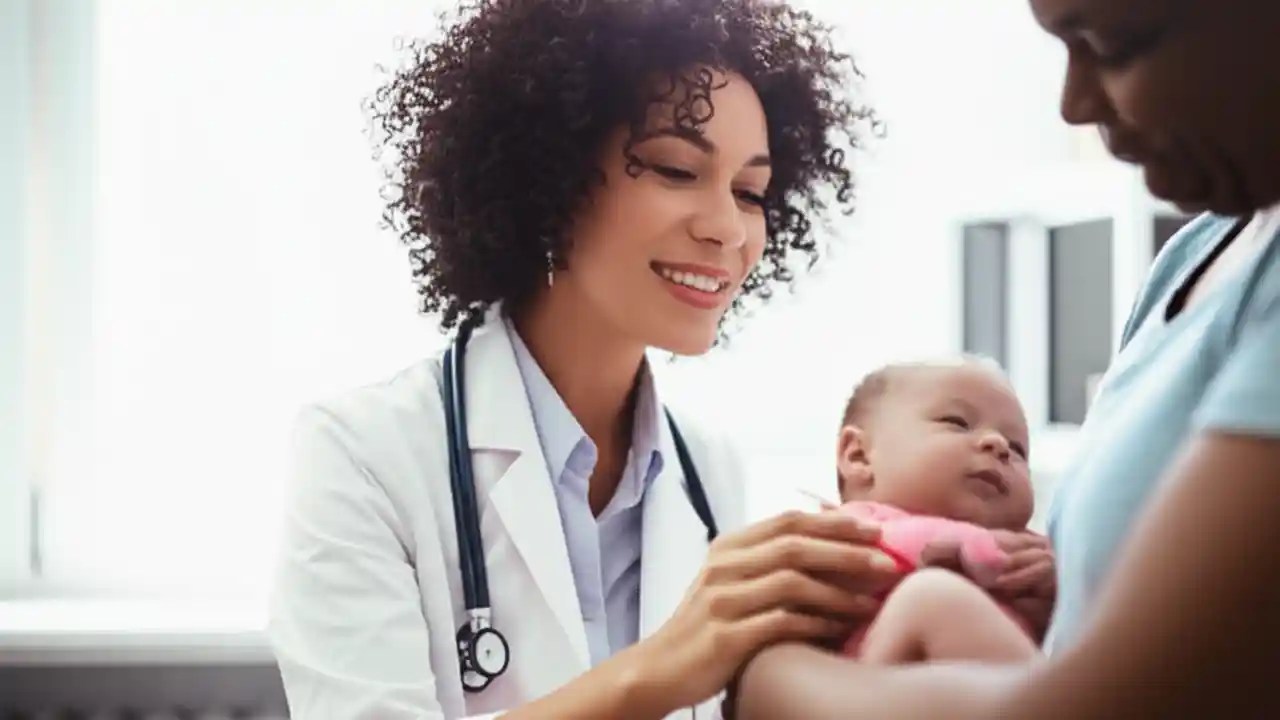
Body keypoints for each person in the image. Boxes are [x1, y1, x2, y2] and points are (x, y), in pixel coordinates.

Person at [267, 1, 898, 718]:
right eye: (675, 169)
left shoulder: (706, 468)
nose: (729, 228)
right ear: (553, 176)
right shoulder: (362, 455)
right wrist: (657, 671)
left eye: (750, 192)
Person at [732, 0, 1280, 717]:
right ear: (854, 456)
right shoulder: (1189, 258)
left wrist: (763, 675)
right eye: (954, 423)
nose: (1073, 105)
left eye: (1112, 44)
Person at [829, 360, 1052, 664]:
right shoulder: (850, 528)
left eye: (1018, 449)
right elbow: (898, 548)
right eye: (957, 422)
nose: (999, 445)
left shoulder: (1033, 552)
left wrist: (1055, 590)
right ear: (859, 456)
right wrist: (992, 554)